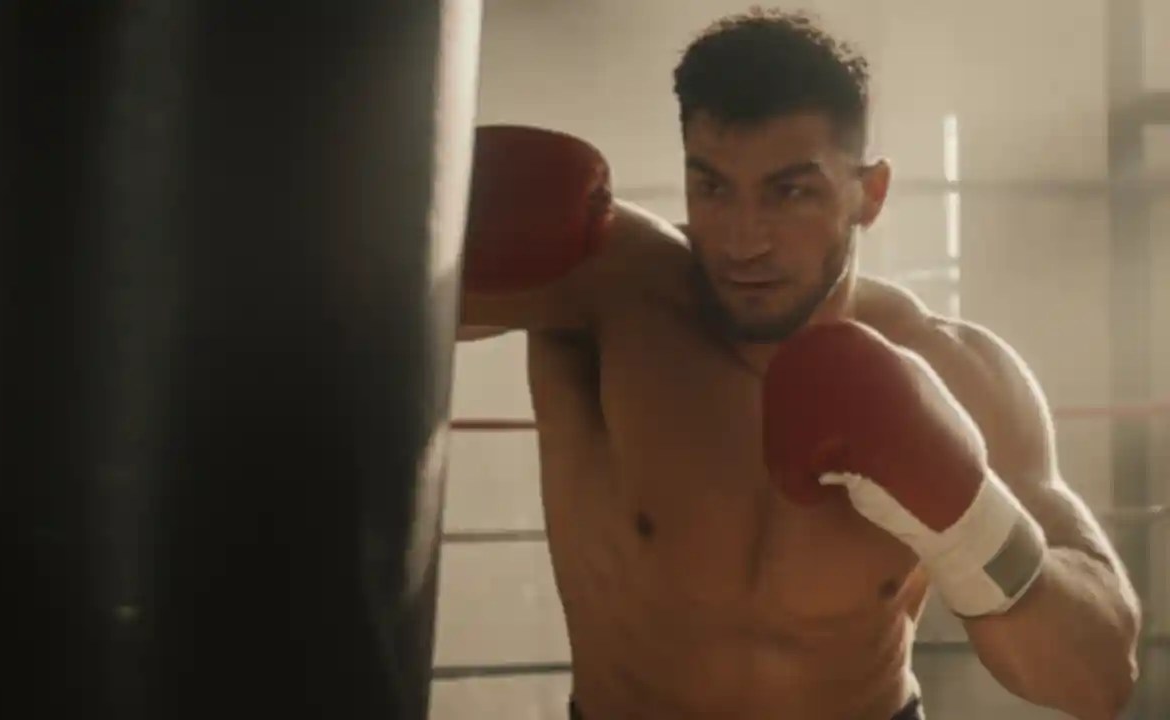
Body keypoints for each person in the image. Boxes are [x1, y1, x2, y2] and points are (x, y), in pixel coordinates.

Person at [458, 9, 1141, 720]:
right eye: (712, 187)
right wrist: (426, 202)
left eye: (789, 192)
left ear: (869, 194)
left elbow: (1097, 679)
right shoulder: (607, 290)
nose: (742, 240)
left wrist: (969, 519)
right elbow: (387, 304)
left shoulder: (958, 371)